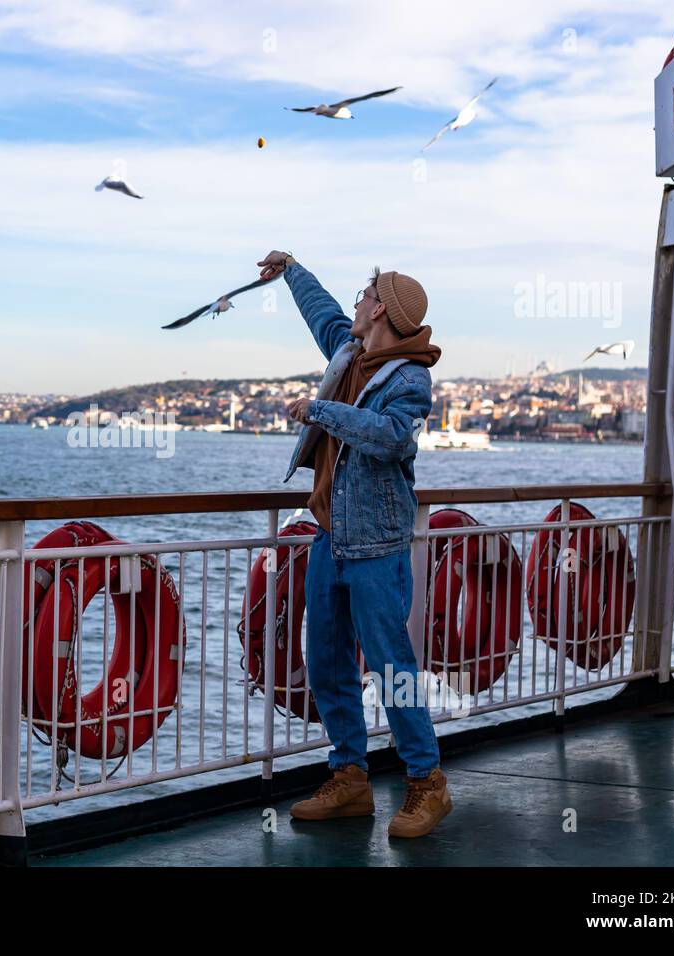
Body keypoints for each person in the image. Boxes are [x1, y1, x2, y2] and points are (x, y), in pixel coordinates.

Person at [256, 250, 451, 839]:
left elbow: (391, 439)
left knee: (392, 669)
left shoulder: (411, 380)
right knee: (326, 661)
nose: (357, 302)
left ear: (383, 310)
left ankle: (427, 783)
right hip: (329, 538)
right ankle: (349, 778)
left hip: (378, 544)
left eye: (366, 295)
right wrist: (291, 269)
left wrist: (321, 411)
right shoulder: (349, 352)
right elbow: (322, 314)